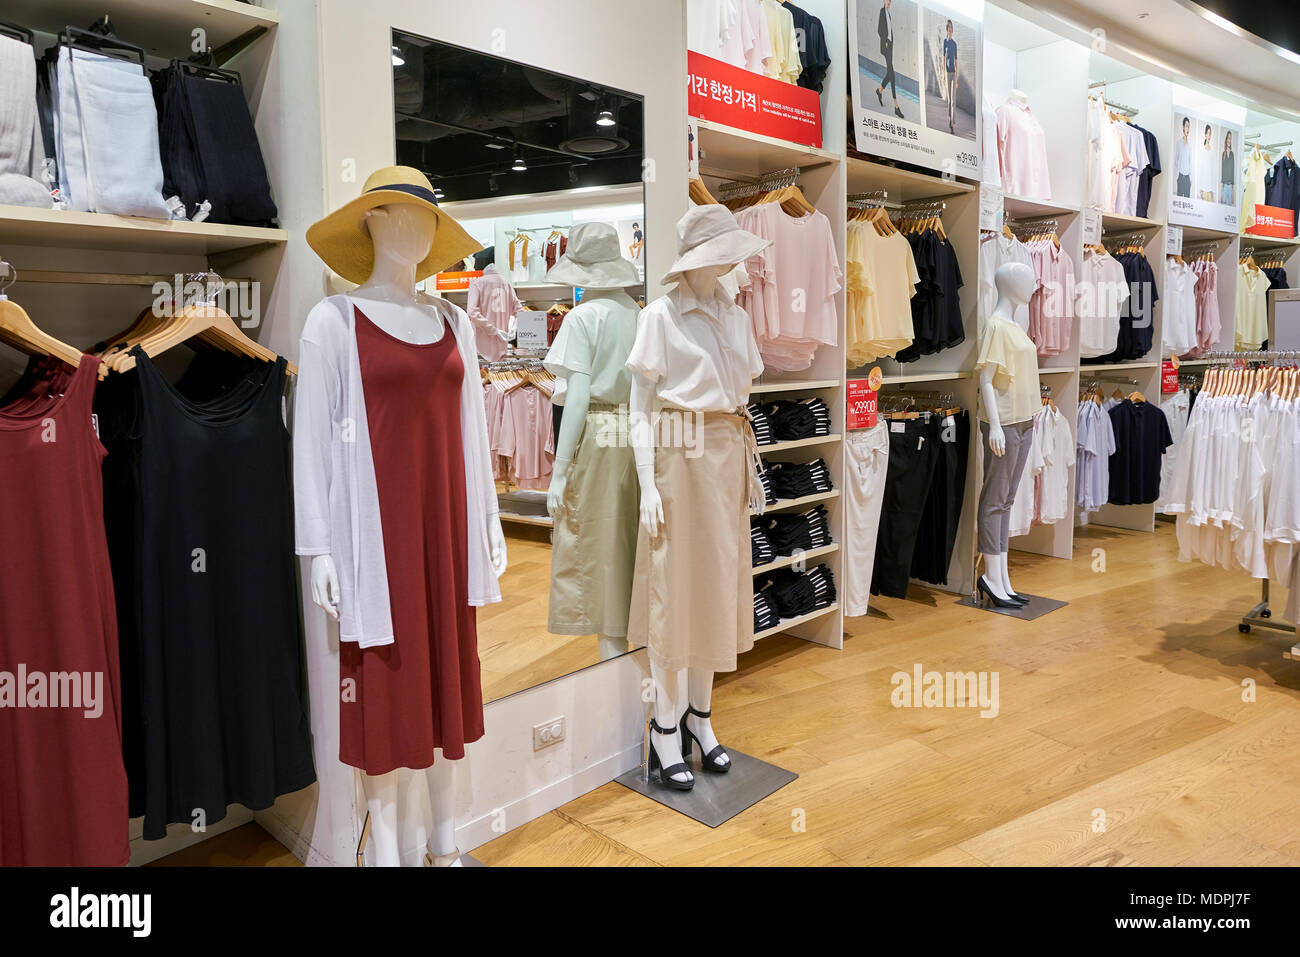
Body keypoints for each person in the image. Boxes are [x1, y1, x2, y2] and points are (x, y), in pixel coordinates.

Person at [874, 0, 905, 121]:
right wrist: (886, 41)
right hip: (886, 45)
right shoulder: (882, 12)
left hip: (890, 45)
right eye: (887, 0)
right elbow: (879, 30)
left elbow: (889, 31)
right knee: (892, 74)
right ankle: (896, 106)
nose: (888, 2)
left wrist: (890, 41)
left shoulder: (889, 13)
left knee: (890, 72)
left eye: (890, 1)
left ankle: (879, 90)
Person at [943, 19, 958, 134]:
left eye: (951, 28)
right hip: (947, 73)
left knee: (953, 101)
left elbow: (956, 61)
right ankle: (949, 119)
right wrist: (943, 75)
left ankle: (952, 123)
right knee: (949, 101)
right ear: (947, 29)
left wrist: (956, 79)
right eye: (949, 28)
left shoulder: (954, 44)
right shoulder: (945, 42)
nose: (950, 29)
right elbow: (944, 59)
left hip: (953, 73)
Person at [1197, 124, 1217, 202]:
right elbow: (1200, 169)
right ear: (1205, 134)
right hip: (1204, 189)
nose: (1209, 136)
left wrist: (1213, 189)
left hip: (1210, 190)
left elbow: (1213, 171)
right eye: (1208, 133)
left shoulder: (1212, 151)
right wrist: (1200, 188)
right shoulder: (1202, 150)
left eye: (1210, 134)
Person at [1174, 116, 1192, 198]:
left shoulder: (1190, 145)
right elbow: (1176, 161)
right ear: (1183, 127)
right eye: (1186, 126)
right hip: (1180, 178)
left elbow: (1190, 162)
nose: (1187, 129)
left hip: (1187, 179)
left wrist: (1190, 178)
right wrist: (1177, 177)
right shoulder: (1178, 143)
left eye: (1189, 126)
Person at [1221, 131, 1236, 205]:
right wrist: (1221, 186)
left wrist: (1233, 185)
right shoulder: (1223, 154)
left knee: (1229, 205)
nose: (1229, 140)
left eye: (1230, 138)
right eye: (1228, 138)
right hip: (1224, 184)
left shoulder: (1232, 154)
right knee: (1223, 204)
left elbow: (1232, 169)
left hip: (1230, 185)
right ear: (1226, 139)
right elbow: (1222, 170)